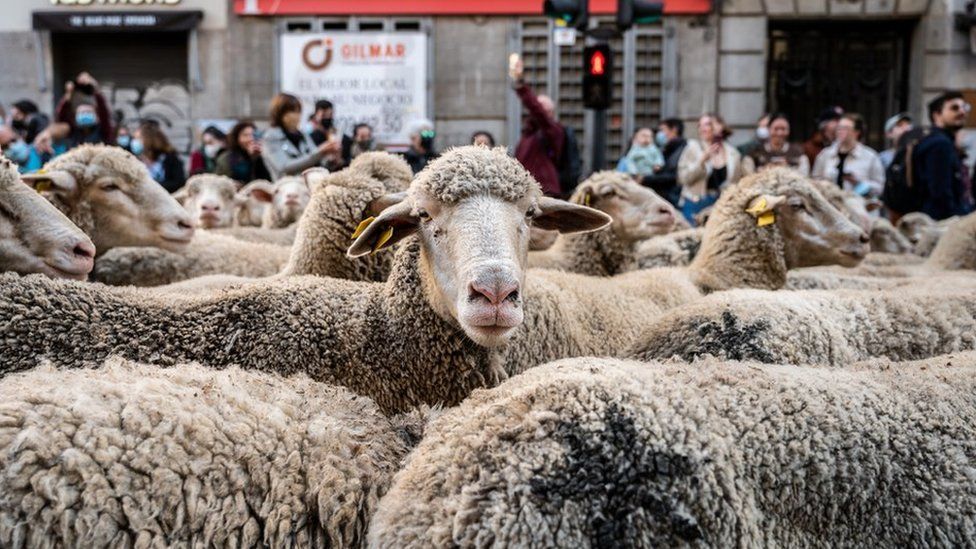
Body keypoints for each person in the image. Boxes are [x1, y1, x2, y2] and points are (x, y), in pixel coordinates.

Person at [677, 113, 750, 224]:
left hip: (721, 206)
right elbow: (683, 179)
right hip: (695, 204)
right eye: (699, 125)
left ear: (720, 127)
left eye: (707, 124)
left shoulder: (733, 153)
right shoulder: (692, 147)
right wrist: (702, 160)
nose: (702, 128)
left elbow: (738, 182)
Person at [912, 91, 975, 219]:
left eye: (965, 107)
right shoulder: (940, 144)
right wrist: (957, 218)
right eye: (954, 108)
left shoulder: (941, 141)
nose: (962, 112)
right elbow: (940, 192)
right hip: (941, 221)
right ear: (937, 115)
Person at [509, 57, 565, 197]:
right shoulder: (528, 134)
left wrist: (521, 86)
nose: (538, 111)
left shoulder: (554, 131)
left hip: (545, 190)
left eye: (543, 109)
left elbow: (537, 111)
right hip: (524, 189)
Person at [261, 93, 338, 180]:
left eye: (299, 111)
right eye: (293, 111)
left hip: (308, 185)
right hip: (286, 186)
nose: (297, 116)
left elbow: (318, 163)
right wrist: (320, 152)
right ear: (280, 113)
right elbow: (284, 167)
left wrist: (330, 159)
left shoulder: (303, 135)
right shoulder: (270, 137)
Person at [812, 113, 885, 198]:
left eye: (845, 128)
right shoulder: (825, 154)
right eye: (839, 128)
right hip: (830, 203)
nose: (840, 131)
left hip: (858, 203)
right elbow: (814, 180)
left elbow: (880, 188)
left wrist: (859, 183)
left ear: (857, 132)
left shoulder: (870, 157)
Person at [54, 71, 114, 145]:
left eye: (88, 112)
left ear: (96, 116)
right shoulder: (72, 131)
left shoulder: (103, 131)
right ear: (75, 117)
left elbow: (104, 113)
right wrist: (68, 95)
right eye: (82, 113)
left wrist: (96, 90)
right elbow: (61, 117)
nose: (85, 114)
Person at [641, 118, 686, 205]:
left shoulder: (682, 149)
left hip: (673, 199)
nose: (660, 134)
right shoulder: (664, 150)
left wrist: (646, 179)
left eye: (663, 130)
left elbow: (674, 176)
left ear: (674, 129)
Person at [133, 121, 186, 193]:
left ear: (148, 140)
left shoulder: (171, 158)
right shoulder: (137, 160)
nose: (134, 142)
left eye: (138, 138)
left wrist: (154, 186)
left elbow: (179, 183)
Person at [308, 99, 351, 170]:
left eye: (329, 115)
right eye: (323, 115)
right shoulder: (310, 138)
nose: (327, 118)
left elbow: (348, 160)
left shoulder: (343, 138)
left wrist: (340, 161)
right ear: (316, 115)